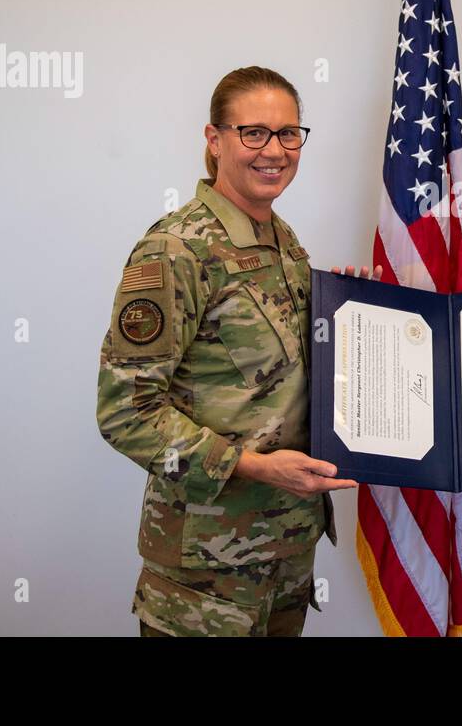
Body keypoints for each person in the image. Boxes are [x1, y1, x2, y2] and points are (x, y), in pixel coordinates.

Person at [96, 65, 371, 637]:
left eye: (288, 133)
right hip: (205, 575)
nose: (274, 150)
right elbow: (127, 412)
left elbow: (282, 379)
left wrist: (355, 319)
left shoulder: (282, 239)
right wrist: (252, 466)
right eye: (254, 133)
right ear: (214, 139)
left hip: (286, 553)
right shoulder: (174, 250)